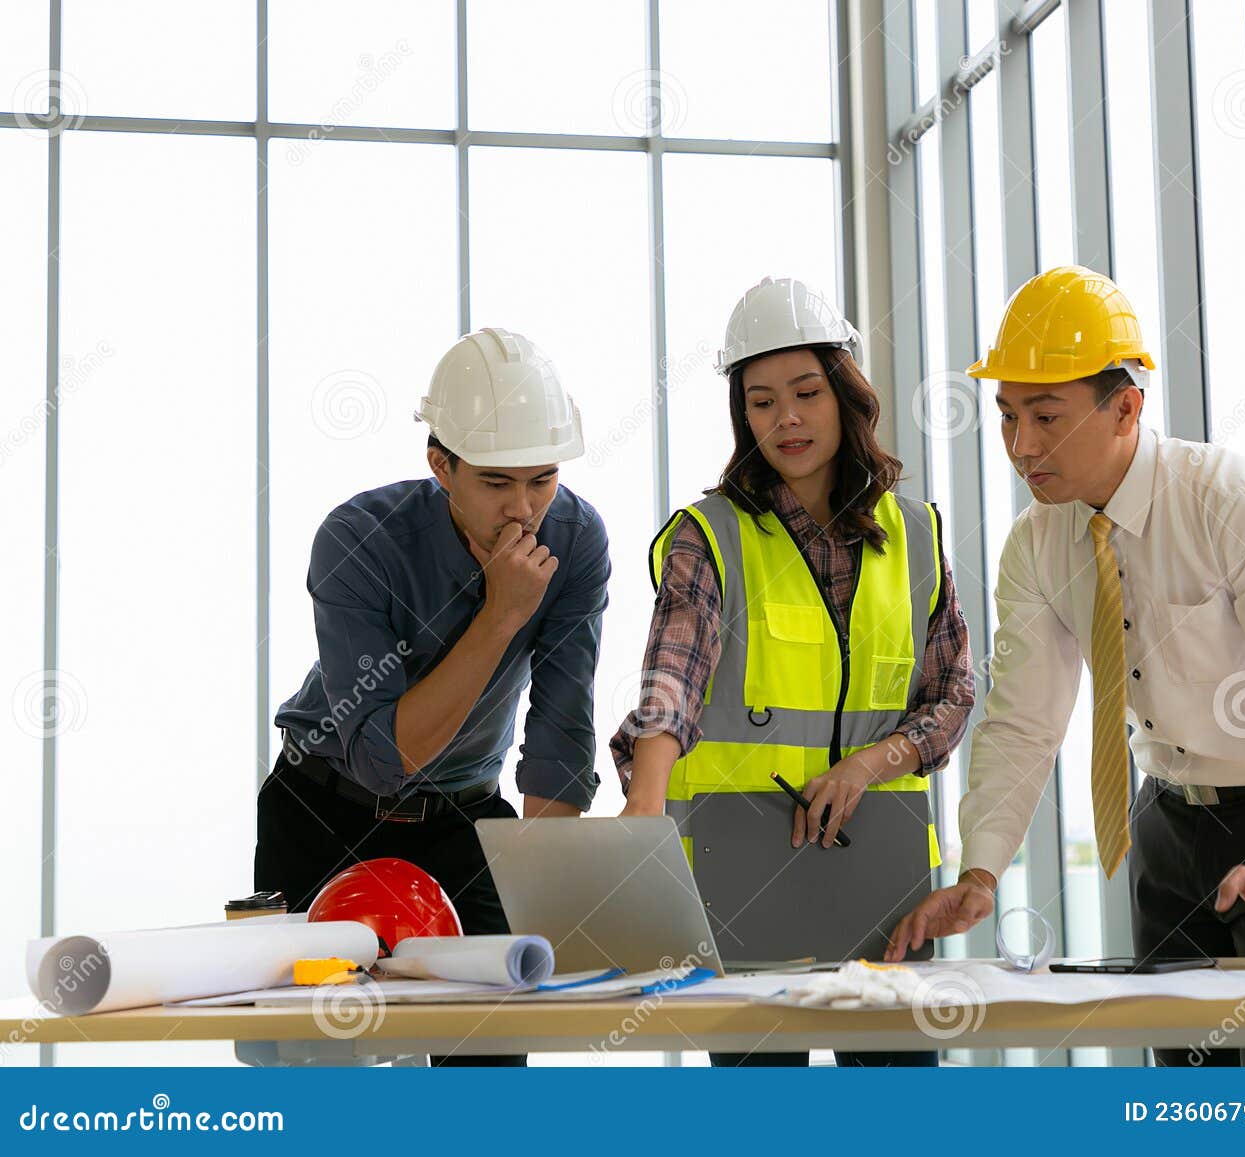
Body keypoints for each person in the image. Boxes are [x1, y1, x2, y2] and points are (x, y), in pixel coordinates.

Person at [885, 266, 1245, 1067]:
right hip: (1168, 820)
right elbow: (1023, 720)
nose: (1021, 446)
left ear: (1126, 407)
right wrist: (980, 869)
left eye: (1045, 416)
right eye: (1007, 416)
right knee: (1184, 1084)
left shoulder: (1227, 499)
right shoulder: (1038, 545)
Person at [612, 277, 975, 1067]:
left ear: (844, 393)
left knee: (896, 1112)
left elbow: (954, 690)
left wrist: (874, 763)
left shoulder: (915, 534)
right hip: (742, 873)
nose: (786, 419)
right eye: (761, 400)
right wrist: (644, 805)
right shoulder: (708, 537)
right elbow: (672, 673)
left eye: (806, 392)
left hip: (880, 874)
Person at [255, 328, 611, 1067]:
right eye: (495, 482)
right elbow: (388, 757)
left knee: (494, 1050)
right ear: (440, 465)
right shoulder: (357, 540)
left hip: (463, 816)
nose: (523, 512)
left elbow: (558, 742)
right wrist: (503, 612)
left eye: (541, 479)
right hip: (325, 805)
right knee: (312, 1053)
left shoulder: (575, 539)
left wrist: (549, 904)